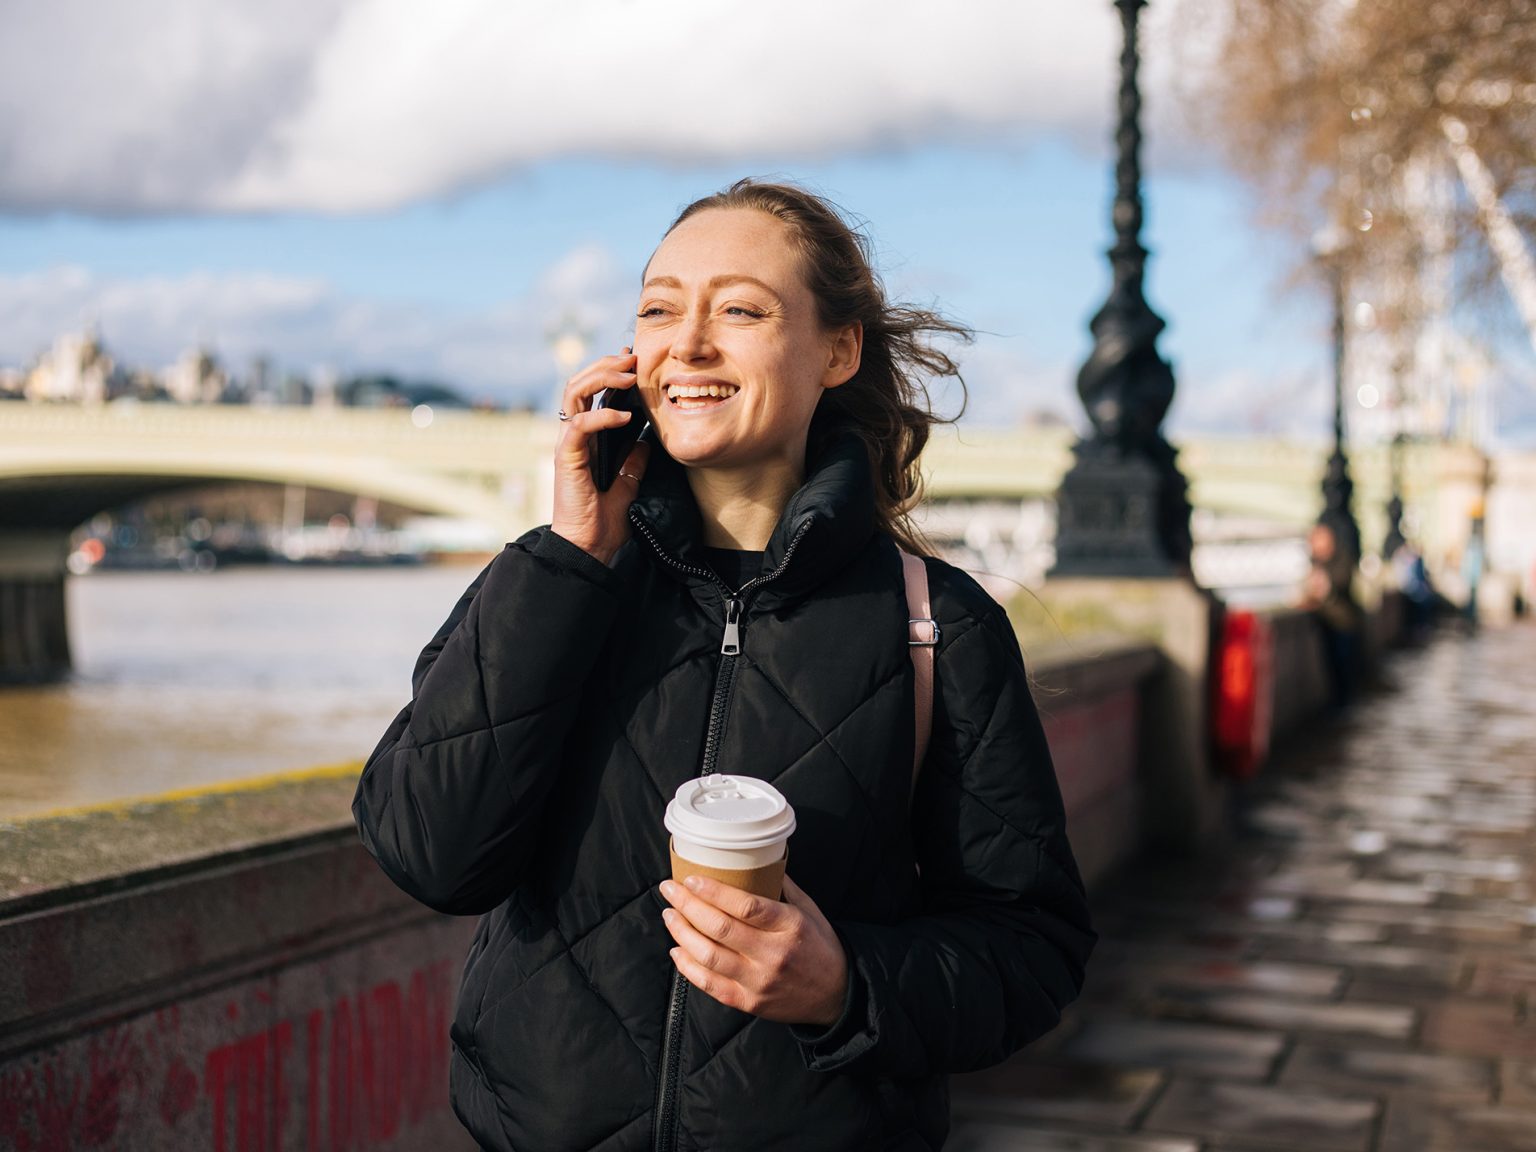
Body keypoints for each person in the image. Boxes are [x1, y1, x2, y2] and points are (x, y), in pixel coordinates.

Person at [352, 179, 1094, 1152]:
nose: (688, 343)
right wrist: (569, 557)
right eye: (659, 309)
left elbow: (1033, 949)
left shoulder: (935, 627)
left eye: (740, 310)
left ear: (838, 350)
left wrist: (845, 985)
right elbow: (429, 853)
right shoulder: (557, 586)